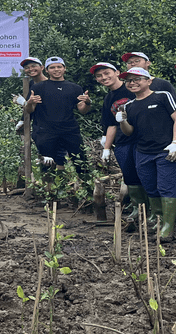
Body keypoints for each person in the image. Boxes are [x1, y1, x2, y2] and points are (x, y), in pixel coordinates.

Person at [116, 68, 176, 239]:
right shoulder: (129, 105)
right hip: (143, 152)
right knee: (150, 187)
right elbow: (129, 131)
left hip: (166, 150)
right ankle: (158, 218)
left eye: (137, 79)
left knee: (166, 187)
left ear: (148, 80)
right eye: (129, 80)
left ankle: (168, 227)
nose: (133, 83)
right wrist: (123, 120)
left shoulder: (163, 96)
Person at [23, 57, 93, 187]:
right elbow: (29, 110)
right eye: (53, 67)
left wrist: (87, 102)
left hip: (70, 131)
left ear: (64, 69)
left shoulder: (75, 88)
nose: (56, 70)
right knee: (47, 164)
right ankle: (50, 193)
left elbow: (82, 110)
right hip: (46, 132)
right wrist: (30, 102)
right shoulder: (38, 87)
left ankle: (88, 190)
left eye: (59, 67)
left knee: (80, 161)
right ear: (47, 70)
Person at [94, 62, 149, 225]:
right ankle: (137, 209)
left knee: (146, 175)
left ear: (117, 72)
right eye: (99, 76)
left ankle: (152, 211)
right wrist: (106, 148)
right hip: (123, 142)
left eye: (106, 73)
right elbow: (111, 124)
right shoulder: (108, 98)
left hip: (142, 140)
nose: (104, 77)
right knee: (130, 176)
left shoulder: (132, 88)